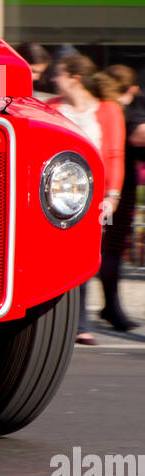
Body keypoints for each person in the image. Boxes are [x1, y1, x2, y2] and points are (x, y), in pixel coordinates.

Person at [50, 55, 125, 345]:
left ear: (74, 78)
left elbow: (115, 154)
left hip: (94, 199)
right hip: (57, 197)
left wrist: (113, 195)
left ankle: (80, 322)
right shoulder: (54, 107)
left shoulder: (107, 110)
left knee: (87, 257)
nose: (54, 80)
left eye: (59, 74)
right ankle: (60, 321)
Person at [97, 64, 145, 331]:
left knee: (108, 248)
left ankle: (109, 307)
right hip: (118, 189)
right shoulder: (120, 108)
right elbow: (137, 138)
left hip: (107, 186)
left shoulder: (105, 106)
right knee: (111, 249)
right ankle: (111, 308)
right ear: (132, 88)